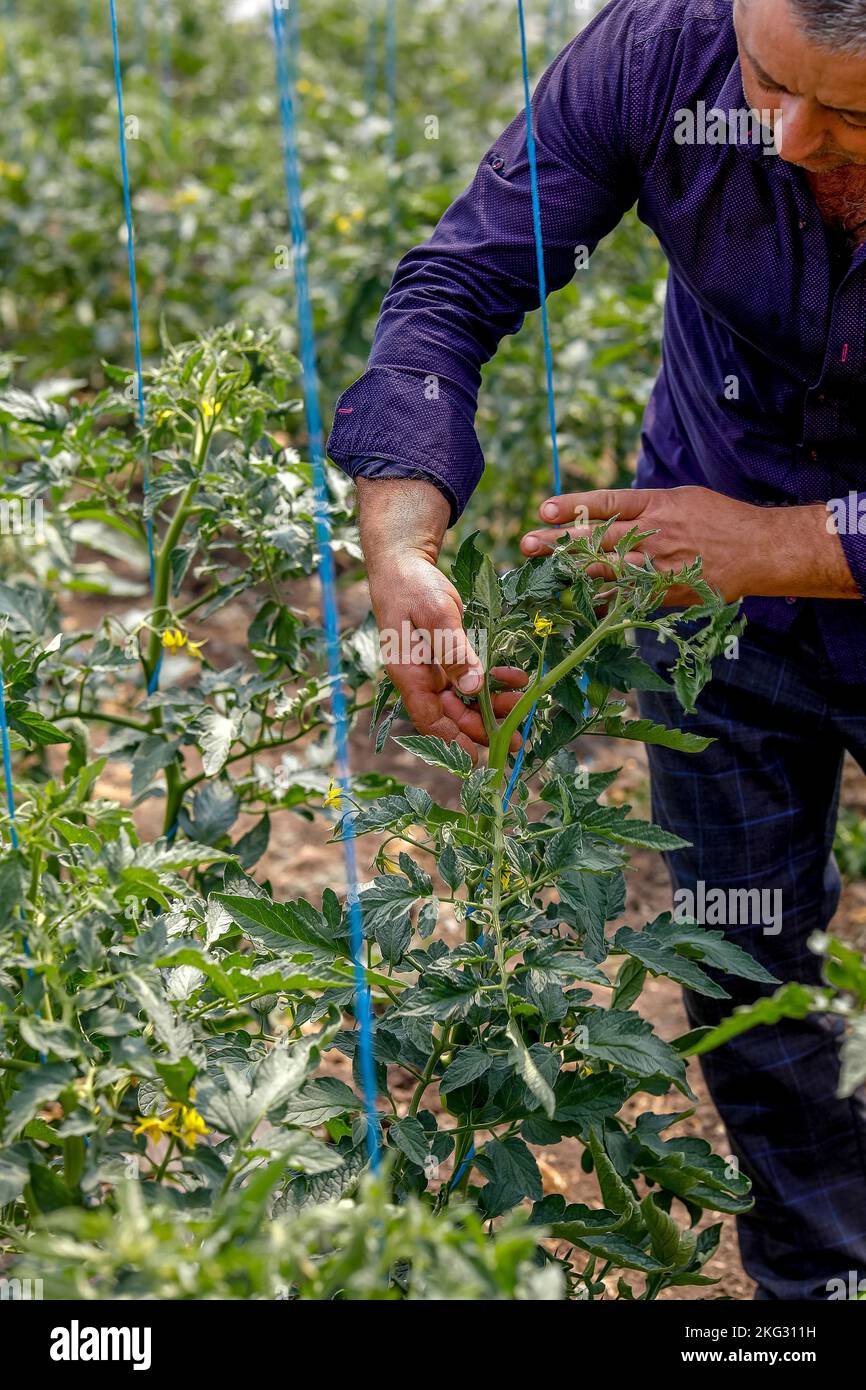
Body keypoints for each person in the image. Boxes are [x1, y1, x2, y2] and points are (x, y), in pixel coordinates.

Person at [327, 0, 866, 1300]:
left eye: (849, 116)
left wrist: (779, 545)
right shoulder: (654, 54)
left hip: (745, 549)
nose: (785, 136)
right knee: (747, 963)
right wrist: (400, 546)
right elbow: (457, 288)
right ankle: (819, 1286)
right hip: (710, 604)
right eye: (764, 82)